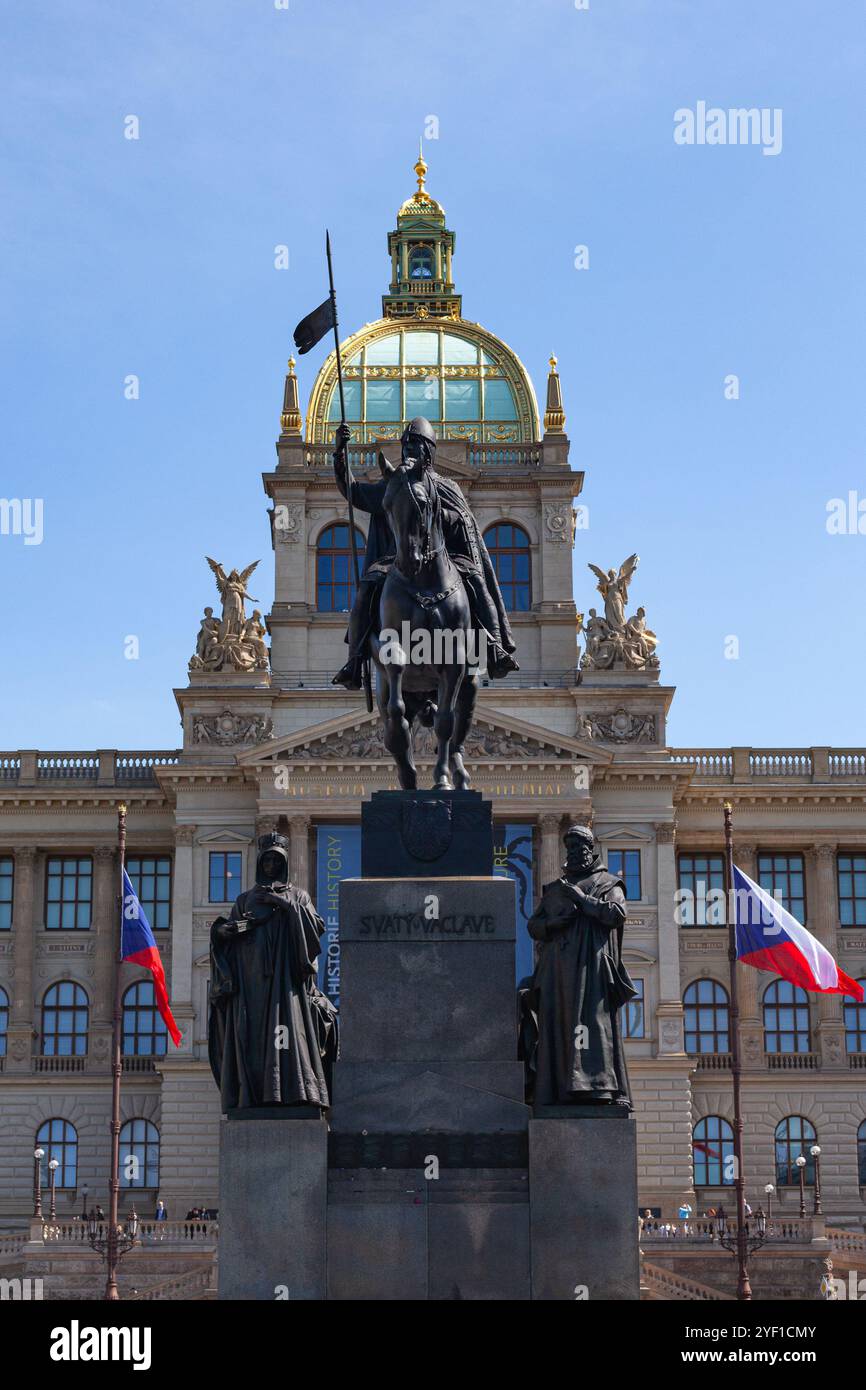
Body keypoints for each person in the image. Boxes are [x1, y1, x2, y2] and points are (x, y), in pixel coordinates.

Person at [330, 418, 518, 690]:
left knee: (477, 580)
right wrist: (340, 453)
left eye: (416, 445)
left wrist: (438, 515)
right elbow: (354, 492)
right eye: (406, 445)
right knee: (367, 586)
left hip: (447, 558)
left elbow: (465, 522)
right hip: (396, 560)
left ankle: (495, 647)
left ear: (429, 451)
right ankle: (354, 661)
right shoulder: (395, 482)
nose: (410, 450)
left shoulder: (447, 486)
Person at [208, 832, 338, 1110]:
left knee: (292, 1035)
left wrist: (283, 905)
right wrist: (224, 931)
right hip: (252, 981)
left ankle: (293, 1092)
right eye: (265, 860)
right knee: (253, 1038)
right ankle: (253, 1096)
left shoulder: (298, 896)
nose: (269, 865)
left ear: (284, 863)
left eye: (275, 860)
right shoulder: (245, 900)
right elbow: (224, 935)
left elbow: (315, 930)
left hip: (286, 982)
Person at [523, 823, 637, 1106]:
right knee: (558, 1025)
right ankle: (556, 1089)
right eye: (570, 846)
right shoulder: (554, 890)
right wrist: (552, 923)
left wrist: (582, 899)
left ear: (591, 849)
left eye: (580, 846)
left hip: (593, 969)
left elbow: (616, 914)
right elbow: (533, 926)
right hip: (558, 972)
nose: (575, 852)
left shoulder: (609, 883)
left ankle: (599, 1087)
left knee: (594, 1025)